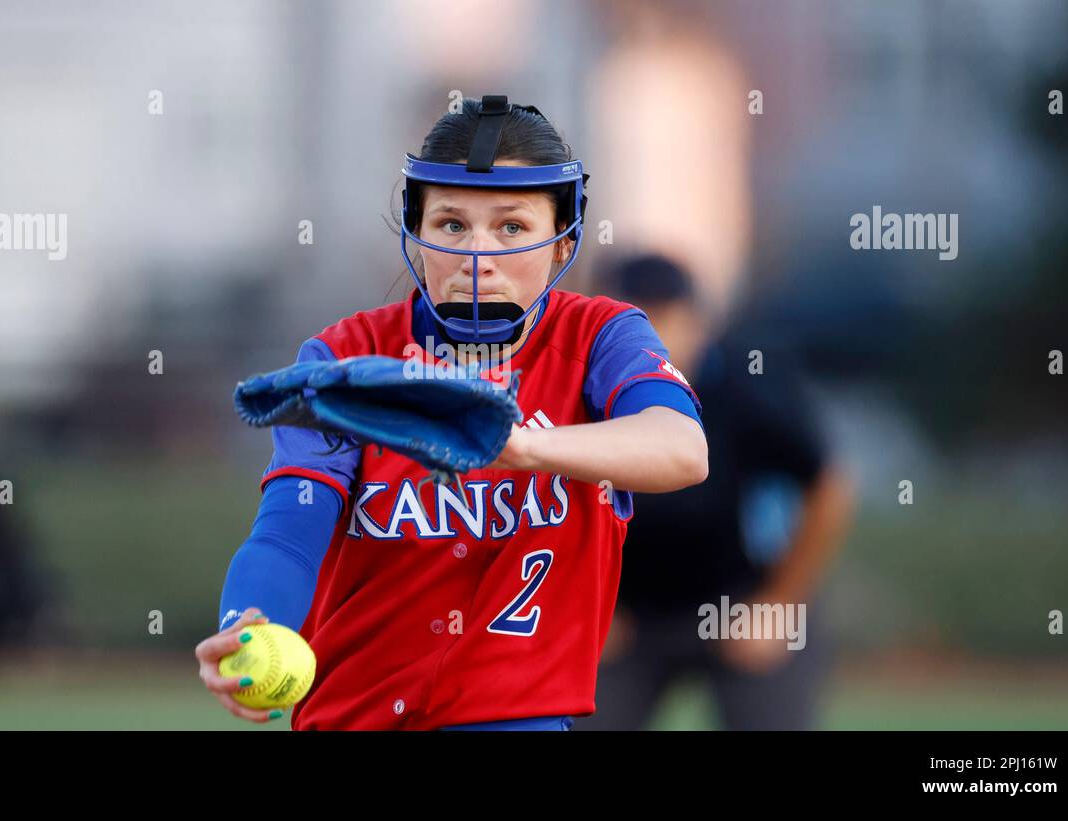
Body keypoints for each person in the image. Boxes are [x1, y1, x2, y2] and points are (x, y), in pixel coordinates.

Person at [195, 96, 708, 730]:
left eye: (513, 227)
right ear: (417, 232)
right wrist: (248, 621)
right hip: (351, 714)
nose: (478, 255)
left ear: (562, 244)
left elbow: (681, 450)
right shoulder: (349, 358)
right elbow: (290, 529)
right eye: (452, 224)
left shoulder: (601, 337)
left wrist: (521, 447)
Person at [576, 254, 856, 731]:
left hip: (743, 597)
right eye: (631, 323)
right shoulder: (579, 386)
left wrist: (779, 603)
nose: (652, 343)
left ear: (699, 323)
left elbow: (829, 486)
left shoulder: (752, 385)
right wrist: (588, 603)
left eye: (665, 321)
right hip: (628, 612)